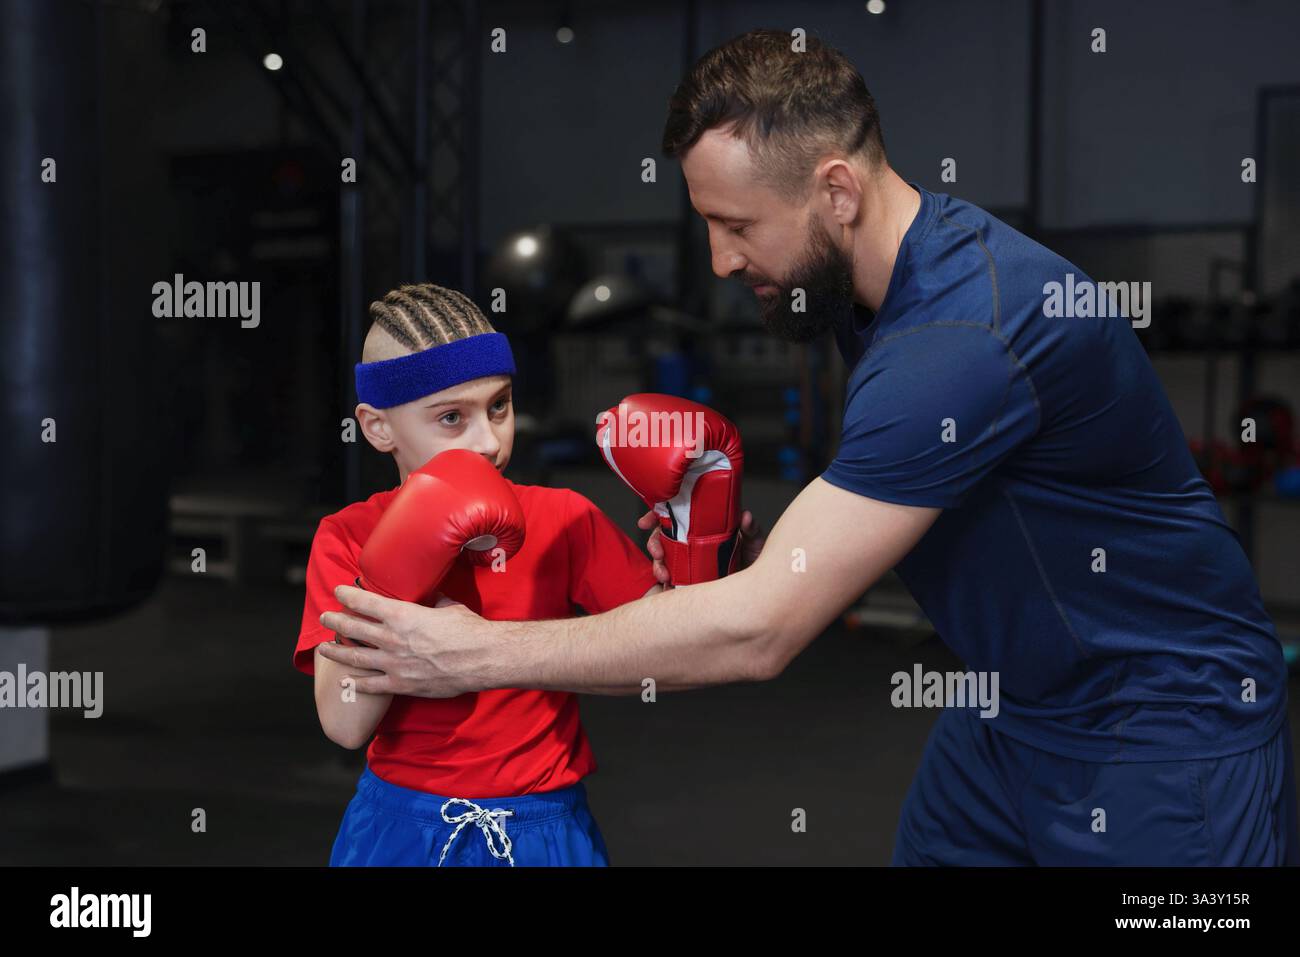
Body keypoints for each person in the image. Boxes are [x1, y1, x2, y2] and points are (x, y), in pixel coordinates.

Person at [320, 31, 1297, 865]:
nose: (720, 259)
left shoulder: (962, 339)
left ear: (835, 189)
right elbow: (833, 539)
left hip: (1160, 725)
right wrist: (717, 545)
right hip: (1007, 708)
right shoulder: (869, 288)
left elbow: (762, 631)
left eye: (736, 226)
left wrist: (479, 653)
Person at [294, 282, 662, 866]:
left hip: (543, 825)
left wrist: (702, 542)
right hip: (400, 826)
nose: (488, 440)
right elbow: (344, 723)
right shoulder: (348, 535)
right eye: (450, 417)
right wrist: (398, 566)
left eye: (499, 405)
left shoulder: (563, 518)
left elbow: (670, 652)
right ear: (377, 427)